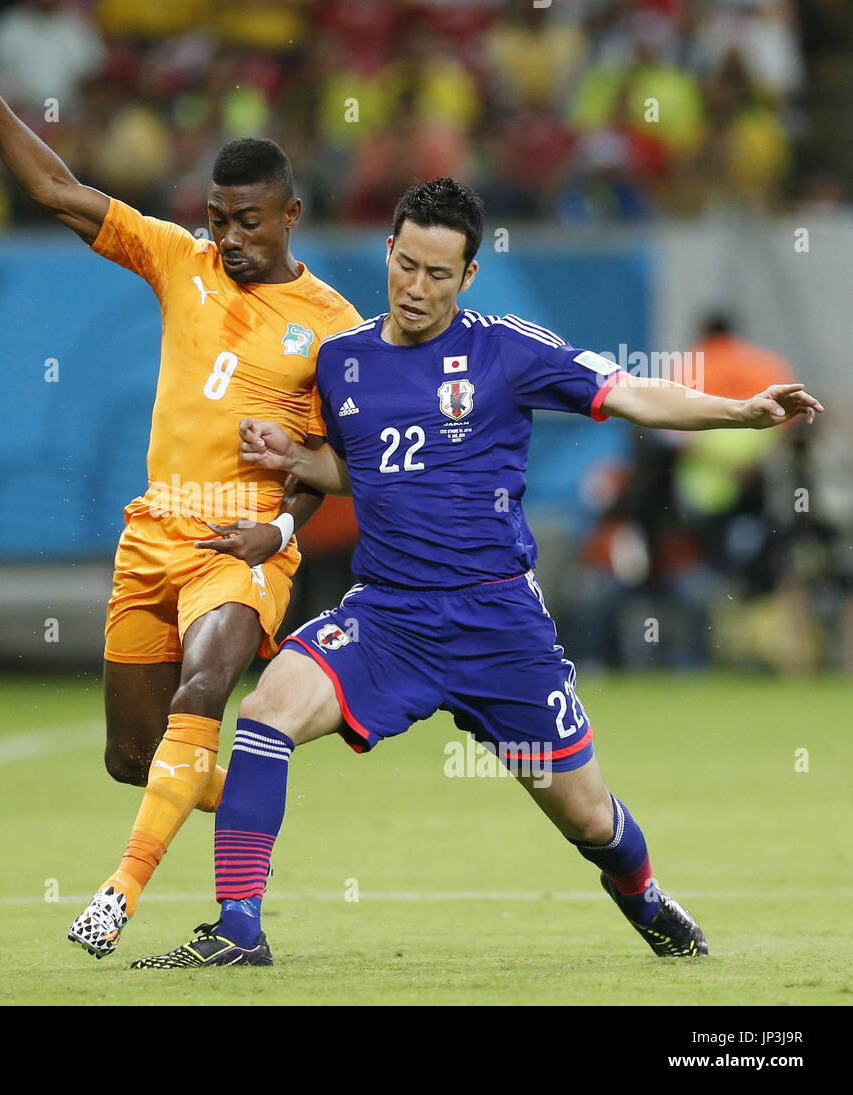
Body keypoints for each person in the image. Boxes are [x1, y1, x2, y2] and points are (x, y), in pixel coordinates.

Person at [133, 177, 822, 968]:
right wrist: (298, 460)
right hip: (387, 617)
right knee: (267, 712)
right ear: (388, 251)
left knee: (589, 817)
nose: (416, 288)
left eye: (437, 274)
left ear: (468, 277)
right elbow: (373, 469)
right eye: (406, 266)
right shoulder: (342, 361)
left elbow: (630, 392)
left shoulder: (509, 350)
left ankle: (648, 898)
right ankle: (238, 929)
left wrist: (739, 411)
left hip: (498, 627)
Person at [0, 13, 363, 958]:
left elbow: (341, 464)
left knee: (208, 683)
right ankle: (249, 794)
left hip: (241, 540)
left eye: (247, 221)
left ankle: (122, 891)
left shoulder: (333, 325)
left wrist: (280, 532)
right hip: (153, 528)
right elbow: (56, 189)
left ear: (289, 217)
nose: (228, 238)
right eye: (217, 219)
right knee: (131, 756)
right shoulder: (174, 258)